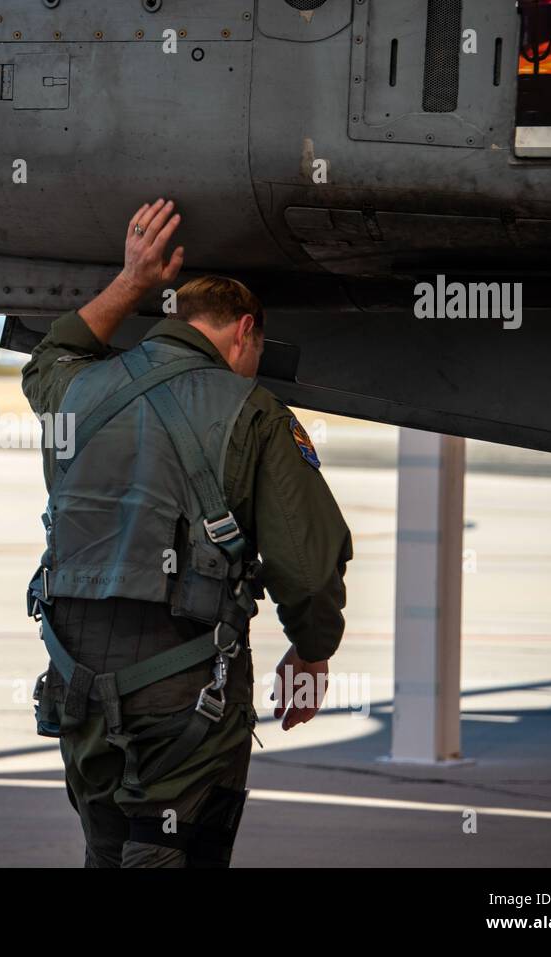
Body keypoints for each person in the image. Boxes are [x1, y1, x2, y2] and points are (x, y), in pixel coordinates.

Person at [22, 199, 353, 867]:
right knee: (172, 853)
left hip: (75, 677)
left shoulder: (78, 390)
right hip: (187, 687)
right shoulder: (253, 411)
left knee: (107, 850)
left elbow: (50, 354)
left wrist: (133, 279)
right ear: (244, 333)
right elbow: (309, 566)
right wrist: (312, 653)